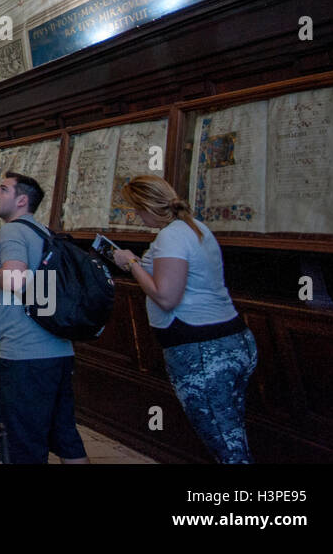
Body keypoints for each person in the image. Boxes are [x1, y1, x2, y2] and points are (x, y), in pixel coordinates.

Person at [110, 175, 257, 463]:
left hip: (202, 350)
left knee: (228, 448)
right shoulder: (195, 227)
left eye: (137, 209)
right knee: (230, 434)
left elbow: (166, 297)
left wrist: (130, 263)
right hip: (232, 340)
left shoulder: (172, 235)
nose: (137, 216)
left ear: (149, 206)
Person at [0, 173, 89, 464]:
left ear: (22, 200)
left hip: (25, 354)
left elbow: (15, 278)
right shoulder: (43, 232)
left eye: (3, 189)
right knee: (66, 437)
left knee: (22, 445)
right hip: (59, 350)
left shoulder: (13, 231)